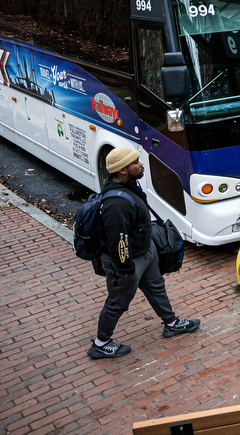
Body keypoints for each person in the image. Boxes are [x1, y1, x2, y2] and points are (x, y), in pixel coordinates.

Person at [88, 147, 200, 359]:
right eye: (135, 162)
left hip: (145, 253)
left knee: (156, 288)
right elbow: (118, 241)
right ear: (122, 170)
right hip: (128, 263)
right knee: (117, 302)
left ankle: (171, 323)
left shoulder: (129, 186)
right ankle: (100, 343)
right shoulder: (115, 203)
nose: (141, 164)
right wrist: (126, 269)